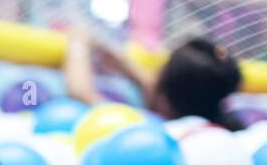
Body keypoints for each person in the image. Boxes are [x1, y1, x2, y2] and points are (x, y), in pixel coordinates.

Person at [63, 24, 244, 129]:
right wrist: (123, 62)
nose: (151, 78)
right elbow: (157, 86)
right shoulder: (214, 118)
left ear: (165, 101)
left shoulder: (153, 127)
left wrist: (78, 42)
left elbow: (80, 92)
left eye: (159, 71)